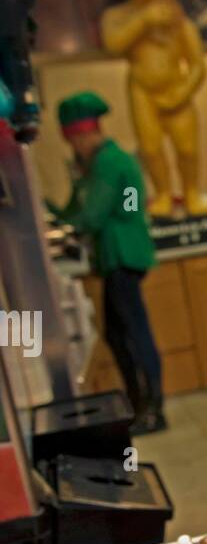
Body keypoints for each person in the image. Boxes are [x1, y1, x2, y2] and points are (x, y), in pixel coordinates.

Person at [51, 92, 166, 435]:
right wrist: (51, 215)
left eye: (74, 141)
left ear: (84, 134)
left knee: (134, 333)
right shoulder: (94, 167)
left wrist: (68, 228)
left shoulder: (111, 163)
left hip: (123, 254)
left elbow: (94, 214)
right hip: (113, 257)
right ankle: (136, 404)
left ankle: (153, 409)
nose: (74, 149)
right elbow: (75, 210)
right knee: (117, 335)